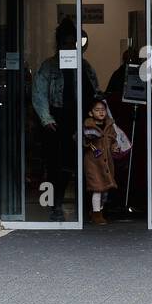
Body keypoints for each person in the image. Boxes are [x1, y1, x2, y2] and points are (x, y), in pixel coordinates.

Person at [32, 18, 96, 220]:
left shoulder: (84, 66)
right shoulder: (49, 66)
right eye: (65, 43)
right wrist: (46, 118)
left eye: (72, 43)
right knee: (54, 166)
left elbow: (94, 91)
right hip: (56, 120)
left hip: (80, 120)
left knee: (81, 165)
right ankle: (55, 206)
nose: (69, 47)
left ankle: (84, 208)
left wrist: (92, 118)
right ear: (59, 44)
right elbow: (39, 94)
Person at [82, 97, 130, 224]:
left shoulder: (110, 125)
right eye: (97, 110)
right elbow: (83, 142)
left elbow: (113, 141)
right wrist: (87, 139)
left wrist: (115, 148)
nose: (101, 112)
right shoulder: (88, 126)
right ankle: (97, 215)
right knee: (97, 188)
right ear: (91, 113)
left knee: (105, 189)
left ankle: (98, 210)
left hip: (107, 162)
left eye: (103, 110)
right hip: (93, 162)